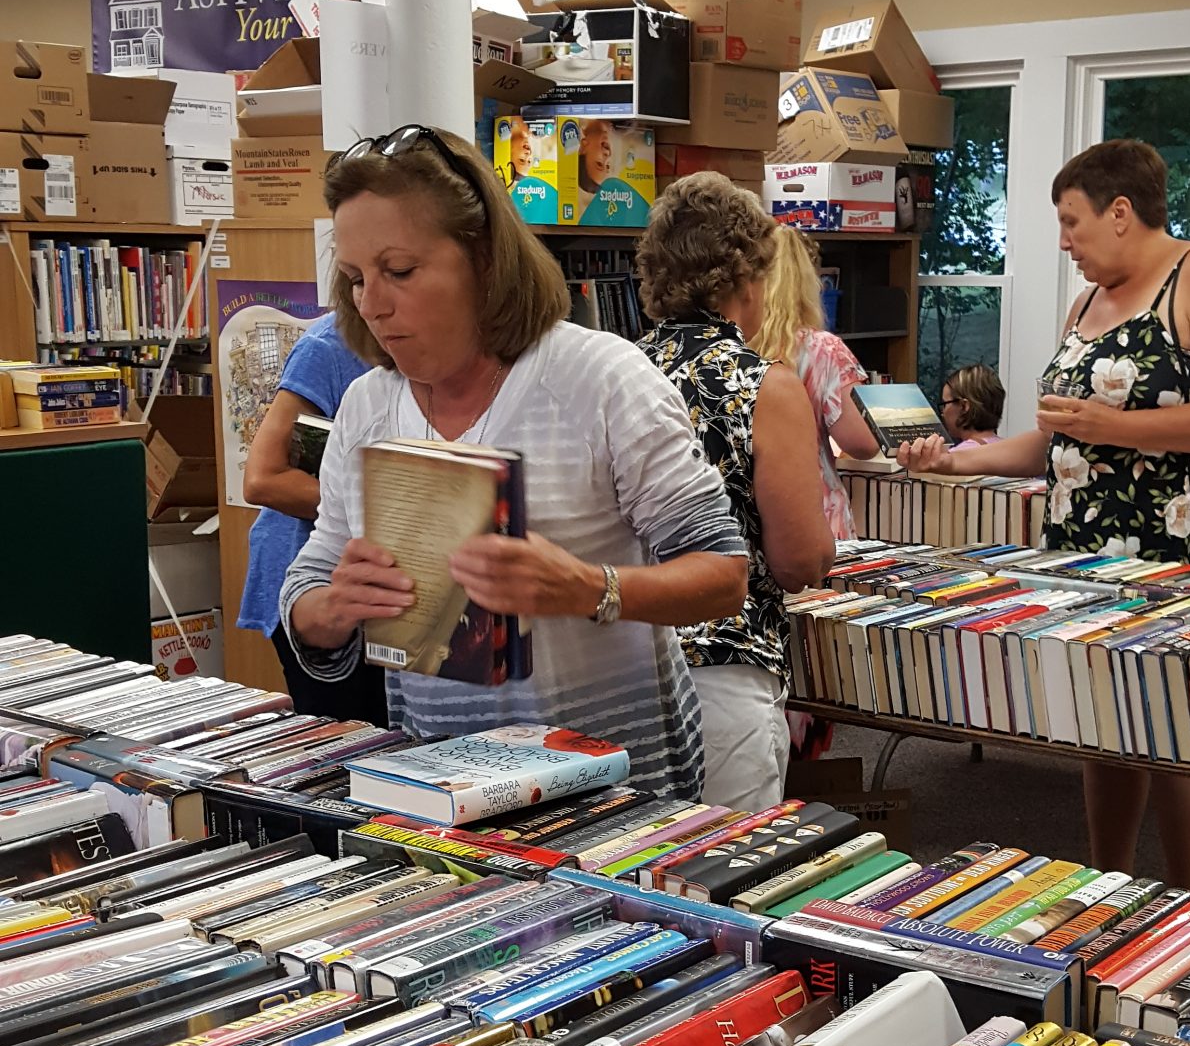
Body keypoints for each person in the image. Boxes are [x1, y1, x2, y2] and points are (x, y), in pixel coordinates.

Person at [279, 126, 749, 797]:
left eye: (400, 271)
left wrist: (589, 588)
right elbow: (309, 584)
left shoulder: (600, 379)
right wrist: (333, 608)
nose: (371, 305)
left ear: (484, 258)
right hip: (444, 790)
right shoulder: (366, 408)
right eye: (355, 279)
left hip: (616, 793)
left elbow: (723, 574)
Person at [897, 138, 1190, 893]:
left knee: (1179, 730)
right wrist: (957, 461)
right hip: (1085, 548)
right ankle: (1113, 889)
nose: (1065, 241)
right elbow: (1060, 439)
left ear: (1121, 212)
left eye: (1071, 222)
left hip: (1181, 546)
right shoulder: (1086, 302)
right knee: (1105, 722)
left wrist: (1118, 428)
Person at [636, 173, 835, 810]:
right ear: (748, 278)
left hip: (619, 660)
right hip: (723, 666)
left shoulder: (613, 371)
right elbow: (798, 561)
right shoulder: (764, 385)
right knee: (726, 860)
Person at [238, 311, 387, 722]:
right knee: (350, 738)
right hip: (313, 580)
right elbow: (263, 479)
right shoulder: (327, 347)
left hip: (380, 584)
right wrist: (388, 515)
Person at [751, 224, 880, 540]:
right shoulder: (823, 350)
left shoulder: (732, 346)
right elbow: (863, 442)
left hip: (747, 519)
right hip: (812, 517)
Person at [940, 363, 1005, 445]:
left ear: (964, 406)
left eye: (945, 404)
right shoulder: (1011, 449)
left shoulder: (960, 453)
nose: (943, 413)